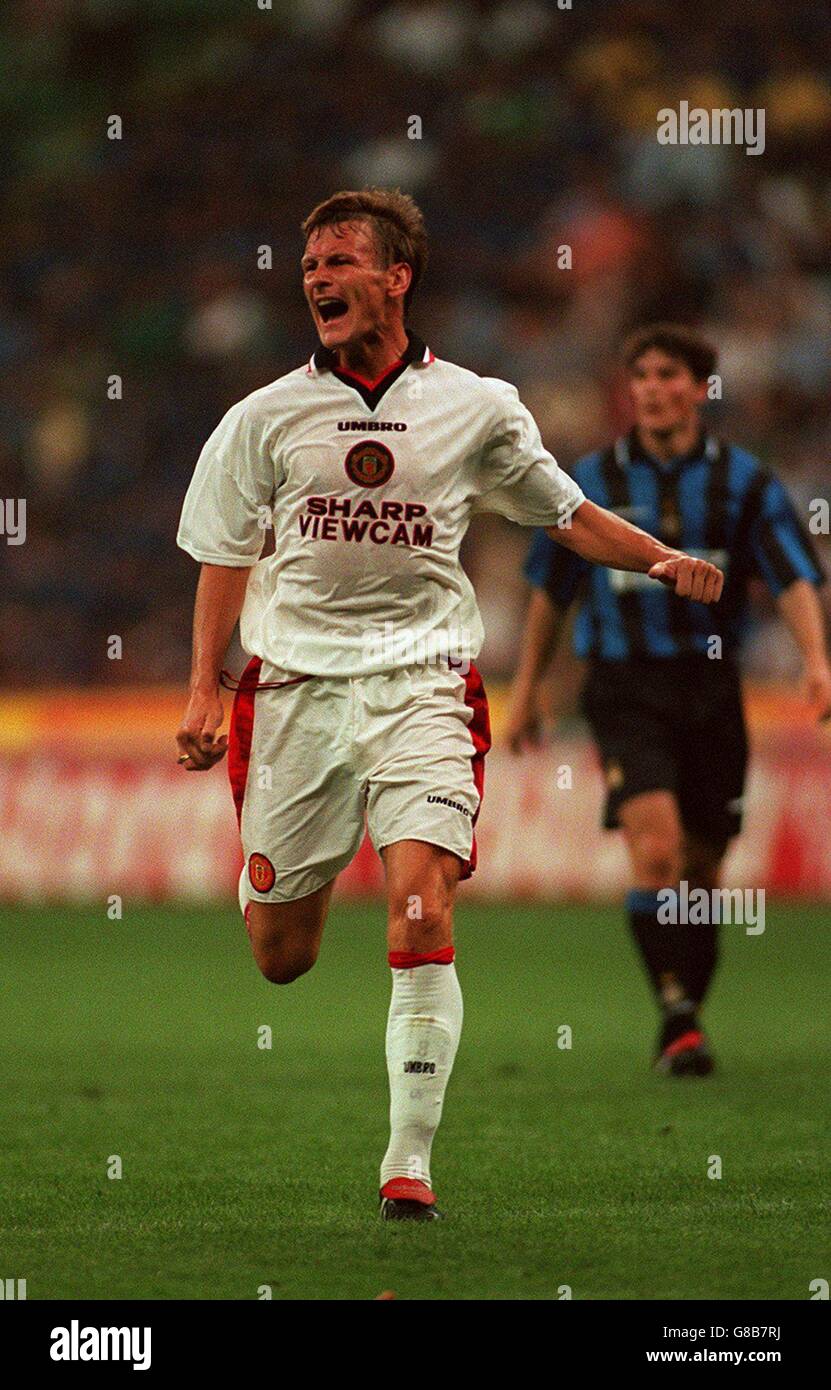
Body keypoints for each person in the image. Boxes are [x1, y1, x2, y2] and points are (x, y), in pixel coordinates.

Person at [176, 196, 723, 1220]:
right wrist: (206, 682)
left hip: (425, 681)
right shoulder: (263, 416)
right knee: (280, 955)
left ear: (397, 277)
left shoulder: (477, 405)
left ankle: (408, 1162)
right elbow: (222, 549)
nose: (316, 279)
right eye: (308, 266)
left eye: (339, 261)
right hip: (293, 689)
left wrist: (656, 556)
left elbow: (562, 510)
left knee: (422, 903)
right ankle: (298, 870)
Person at [507, 323, 829, 1076]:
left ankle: (685, 1010)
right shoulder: (586, 482)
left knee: (702, 866)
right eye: (641, 375)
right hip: (623, 686)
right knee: (653, 848)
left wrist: (816, 661)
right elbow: (548, 591)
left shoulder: (743, 483)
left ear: (698, 388)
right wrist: (524, 691)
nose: (652, 388)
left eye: (668, 375)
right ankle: (678, 1016)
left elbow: (791, 576)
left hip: (711, 690)